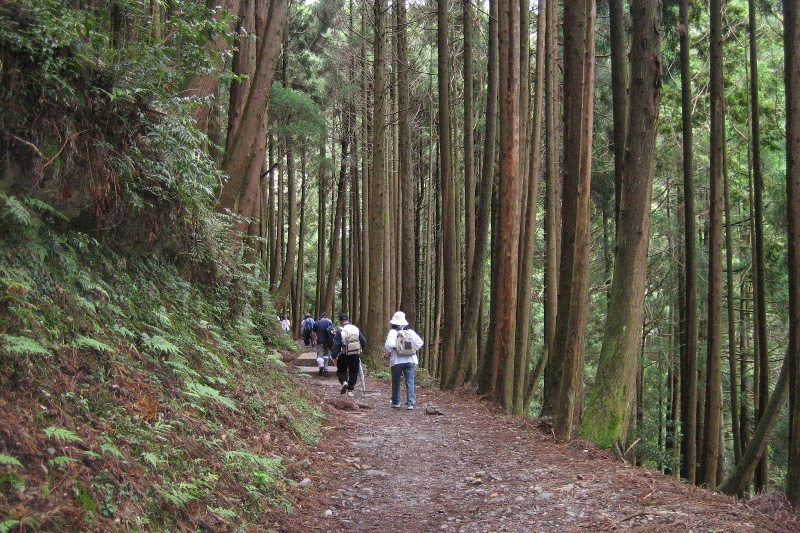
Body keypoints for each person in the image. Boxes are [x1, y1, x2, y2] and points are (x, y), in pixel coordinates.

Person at [384, 311, 424, 410]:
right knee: (410, 381)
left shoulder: (392, 332)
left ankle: (396, 402)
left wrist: (396, 350)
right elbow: (420, 343)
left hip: (397, 360)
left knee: (396, 380)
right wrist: (412, 349)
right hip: (411, 359)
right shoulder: (410, 332)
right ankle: (410, 403)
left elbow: (389, 345)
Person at [332, 312, 366, 396]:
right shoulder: (355, 328)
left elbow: (336, 344)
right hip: (355, 353)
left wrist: (334, 356)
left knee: (341, 370)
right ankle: (350, 390)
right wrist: (361, 348)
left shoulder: (340, 330)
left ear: (340, 320)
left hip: (344, 353)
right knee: (353, 372)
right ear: (348, 319)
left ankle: (344, 382)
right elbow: (363, 340)